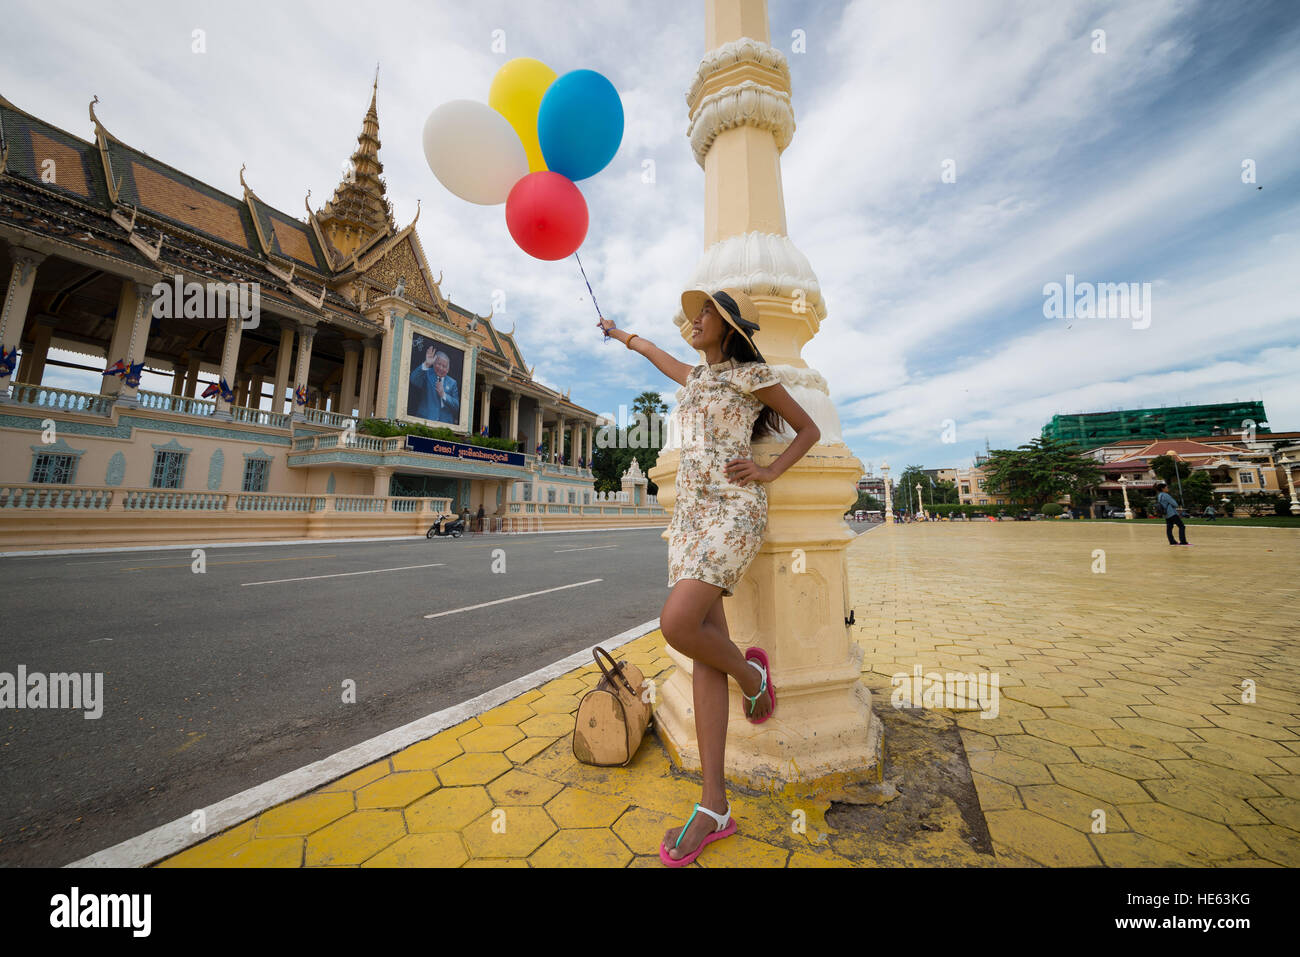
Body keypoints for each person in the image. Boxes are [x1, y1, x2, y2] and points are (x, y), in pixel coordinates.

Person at [598, 288, 819, 867]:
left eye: (703, 315)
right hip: (691, 517)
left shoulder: (752, 374)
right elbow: (650, 351)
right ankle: (715, 805)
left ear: (727, 325)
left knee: (677, 623)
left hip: (733, 509)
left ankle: (751, 677)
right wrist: (618, 332)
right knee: (702, 650)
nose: (692, 322)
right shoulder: (694, 378)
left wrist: (768, 470)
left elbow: (808, 429)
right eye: (693, 315)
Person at [409, 347, 459, 423]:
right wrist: (426, 364)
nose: (441, 368)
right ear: (434, 363)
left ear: (448, 370)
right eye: (439, 364)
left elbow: (456, 406)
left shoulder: (452, 382)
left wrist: (443, 395)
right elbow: (413, 379)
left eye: (444, 366)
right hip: (425, 419)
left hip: (445, 423)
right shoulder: (427, 373)